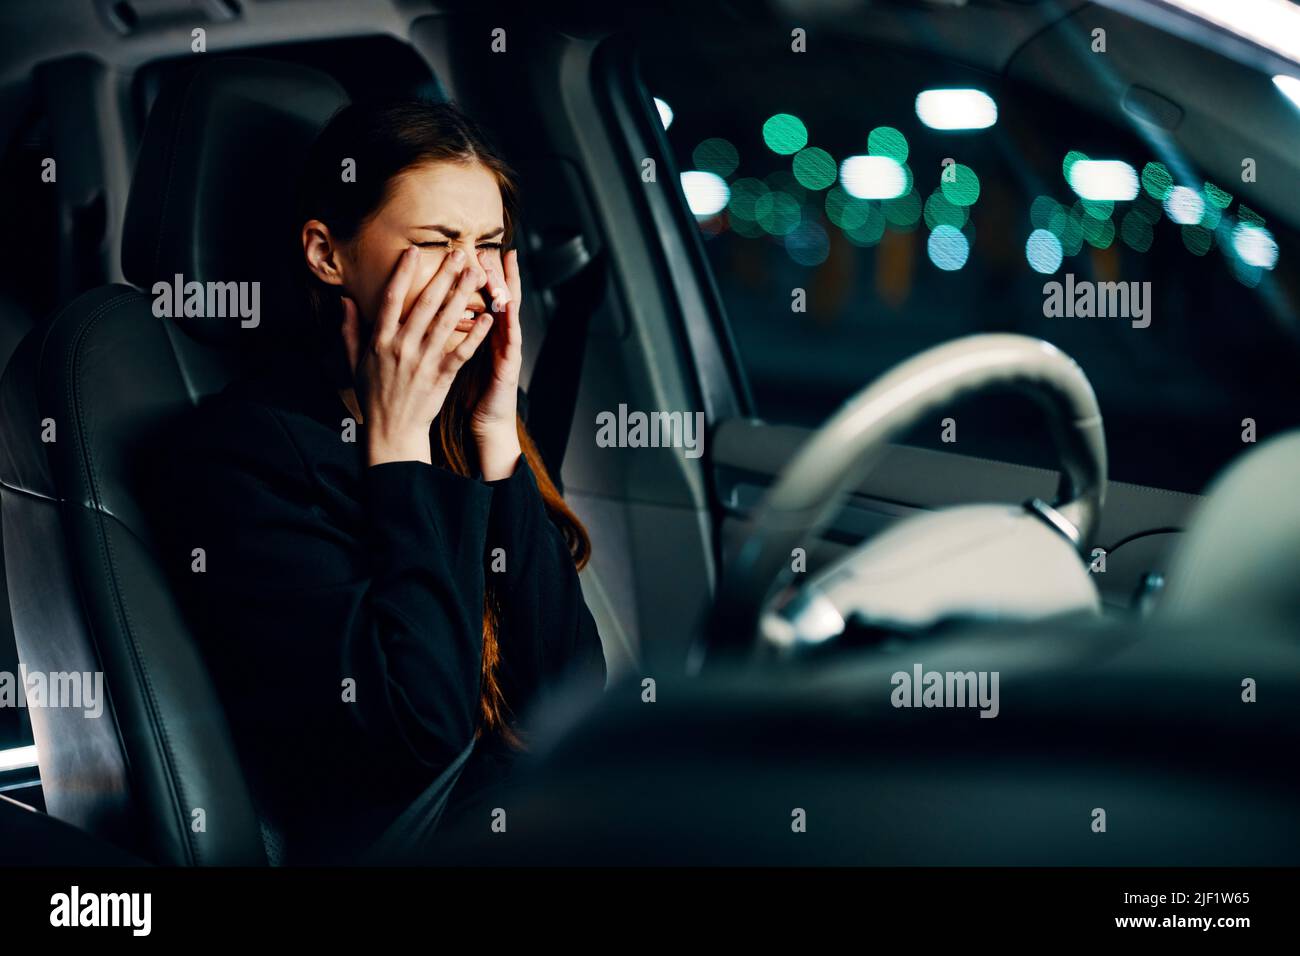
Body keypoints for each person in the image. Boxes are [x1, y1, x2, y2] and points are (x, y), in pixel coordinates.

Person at [165, 98, 606, 864]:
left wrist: (499, 436)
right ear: (327, 254)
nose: (479, 286)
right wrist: (397, 446)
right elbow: (419, 734)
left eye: (491, 247)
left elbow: (569, 692)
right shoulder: (241, 455)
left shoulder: (479, 417)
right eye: (437, 245)